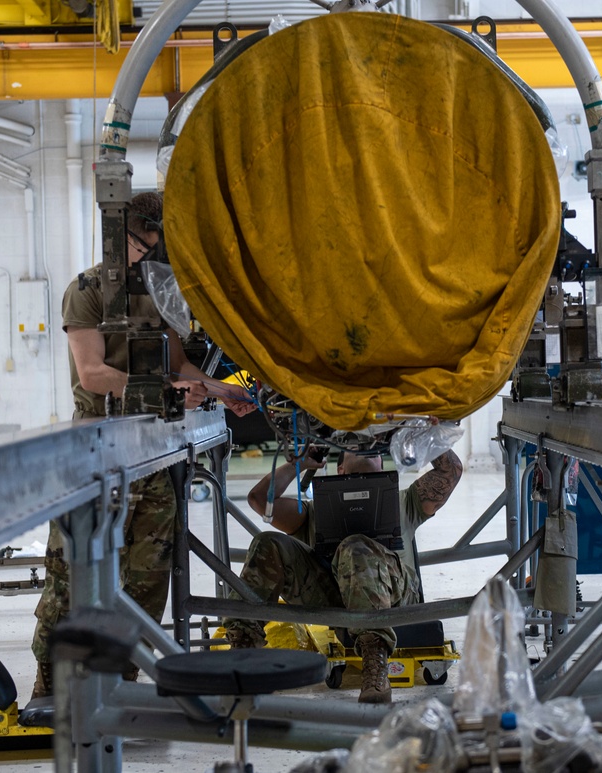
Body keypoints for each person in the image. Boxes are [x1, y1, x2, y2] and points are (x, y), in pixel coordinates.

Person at [30, 191, 254, 699]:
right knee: (69, 578)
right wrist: (164, 390)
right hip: (95, 453)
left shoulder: (163, 290)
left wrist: (221, 391)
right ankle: (48, 684)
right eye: (135, 243)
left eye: (152, 247)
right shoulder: (85, 289)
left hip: (152, 452)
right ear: (117, 234)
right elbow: (92, 375)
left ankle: (122, 684)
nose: (142, 255)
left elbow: (178, 366)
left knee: (147, 579)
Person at [223, 446, 463, 704]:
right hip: (333, 595)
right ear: (340, 470)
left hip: (395, 597)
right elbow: (259, 500)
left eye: (371, 449)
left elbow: (451, 470)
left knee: (355, 546)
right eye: (354, 447)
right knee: (267, 542)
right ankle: (244, 658)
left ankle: (375, 663)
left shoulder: (407, 501)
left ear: (383, 466)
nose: (363, 447)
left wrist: (410, 434)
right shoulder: (314, 513)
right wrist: (301, 464)